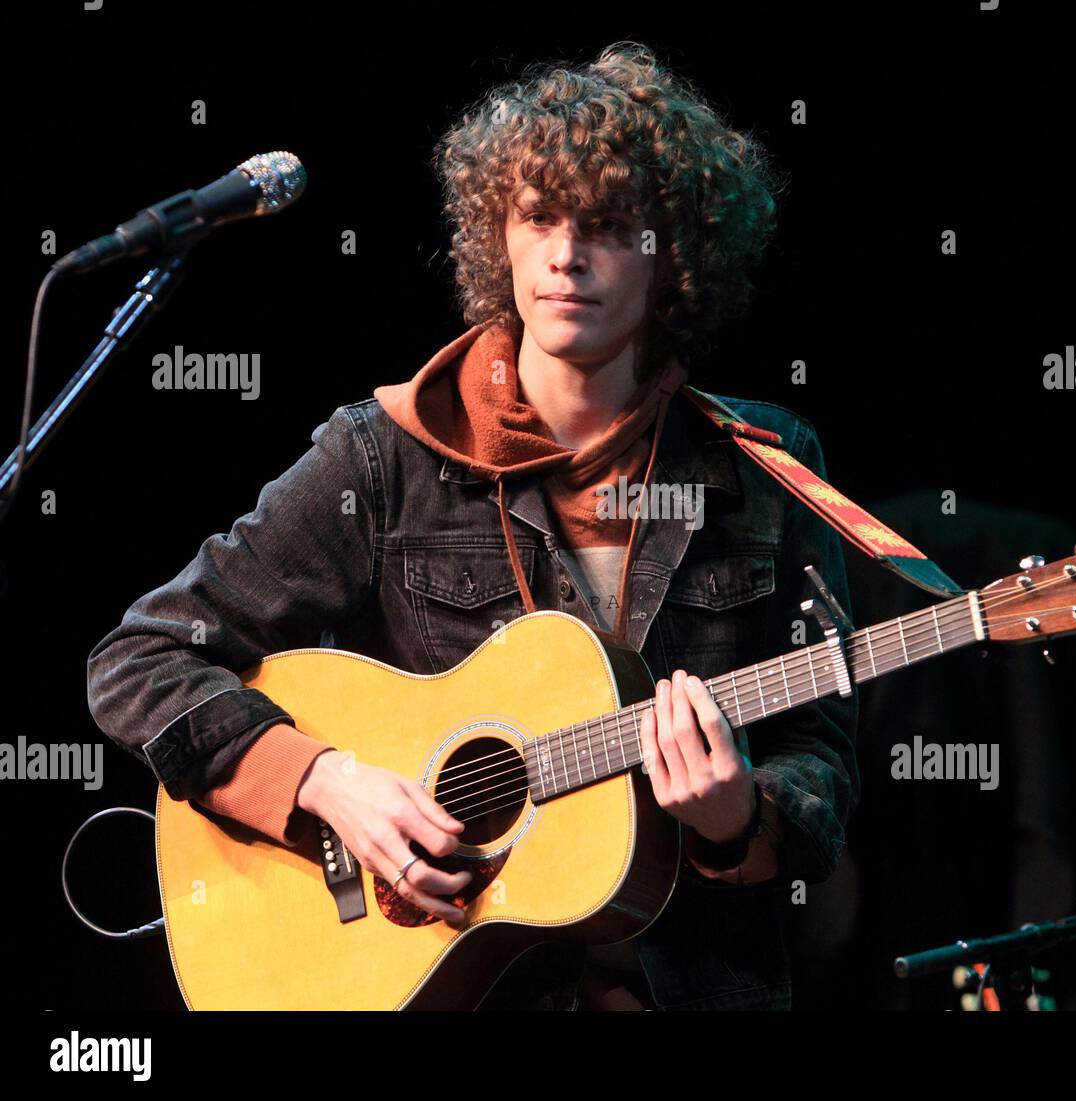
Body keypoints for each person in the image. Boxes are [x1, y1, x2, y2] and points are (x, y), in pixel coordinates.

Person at [87, 41, 859, 1011]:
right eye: (538, 218)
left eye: (609, 226)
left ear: (676, 260)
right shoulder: (389, 454)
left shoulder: (764, 462)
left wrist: (738, 817)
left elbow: (823, 758)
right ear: (499, 235)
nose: (565, 254)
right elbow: (139, 659)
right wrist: (324, 782)